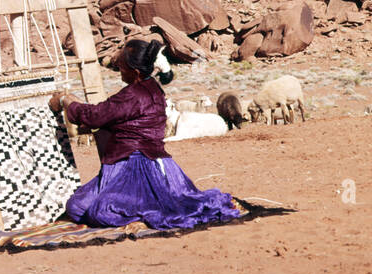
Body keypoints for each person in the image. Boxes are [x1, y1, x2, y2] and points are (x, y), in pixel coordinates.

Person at [49, 37, 243, 230]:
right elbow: (114, 116)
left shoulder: (133, 95)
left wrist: (66, 100)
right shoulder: (152, 88)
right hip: (153, 163)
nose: (119, 72)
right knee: (76, 207)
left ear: (134, 72)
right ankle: (143, 212)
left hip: (135, 165)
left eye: (122, 69)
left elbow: (94, 116)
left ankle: (140, 219)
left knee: (101, 212)